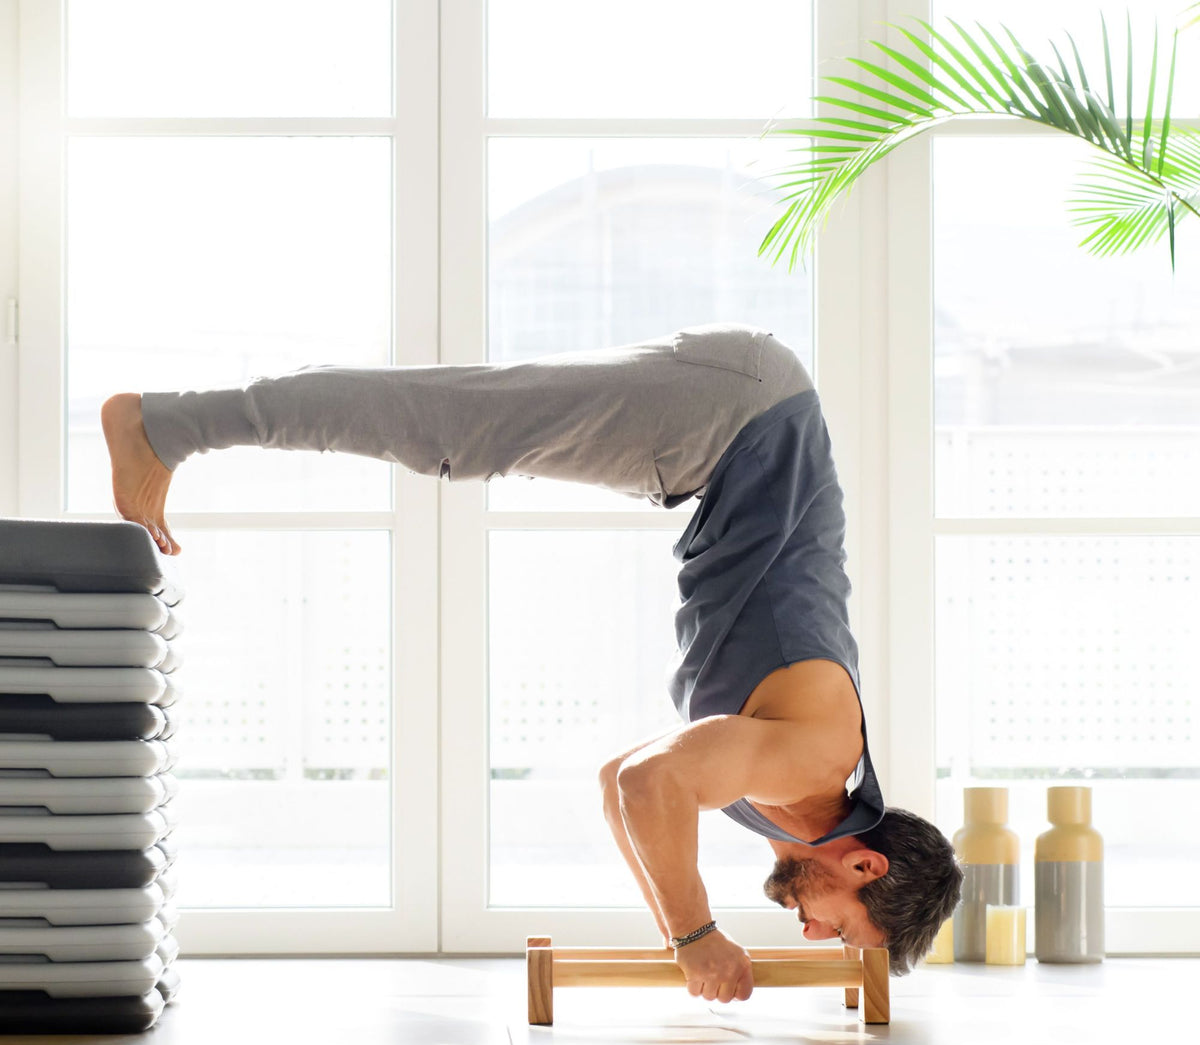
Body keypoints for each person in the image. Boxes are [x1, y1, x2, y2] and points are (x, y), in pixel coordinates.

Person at [102, 323, 962, 1004]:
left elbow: (618, 779)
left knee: (458, 435)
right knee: (452, 431)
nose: (815, 938)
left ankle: (173, 423)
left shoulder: (793, 807)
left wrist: (682, 935)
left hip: (729, 438)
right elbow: (647, 788)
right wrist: (697, 937)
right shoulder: (811, 762)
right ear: (863, 866)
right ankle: (166, 422)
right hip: (740, 423)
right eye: (844, 930)